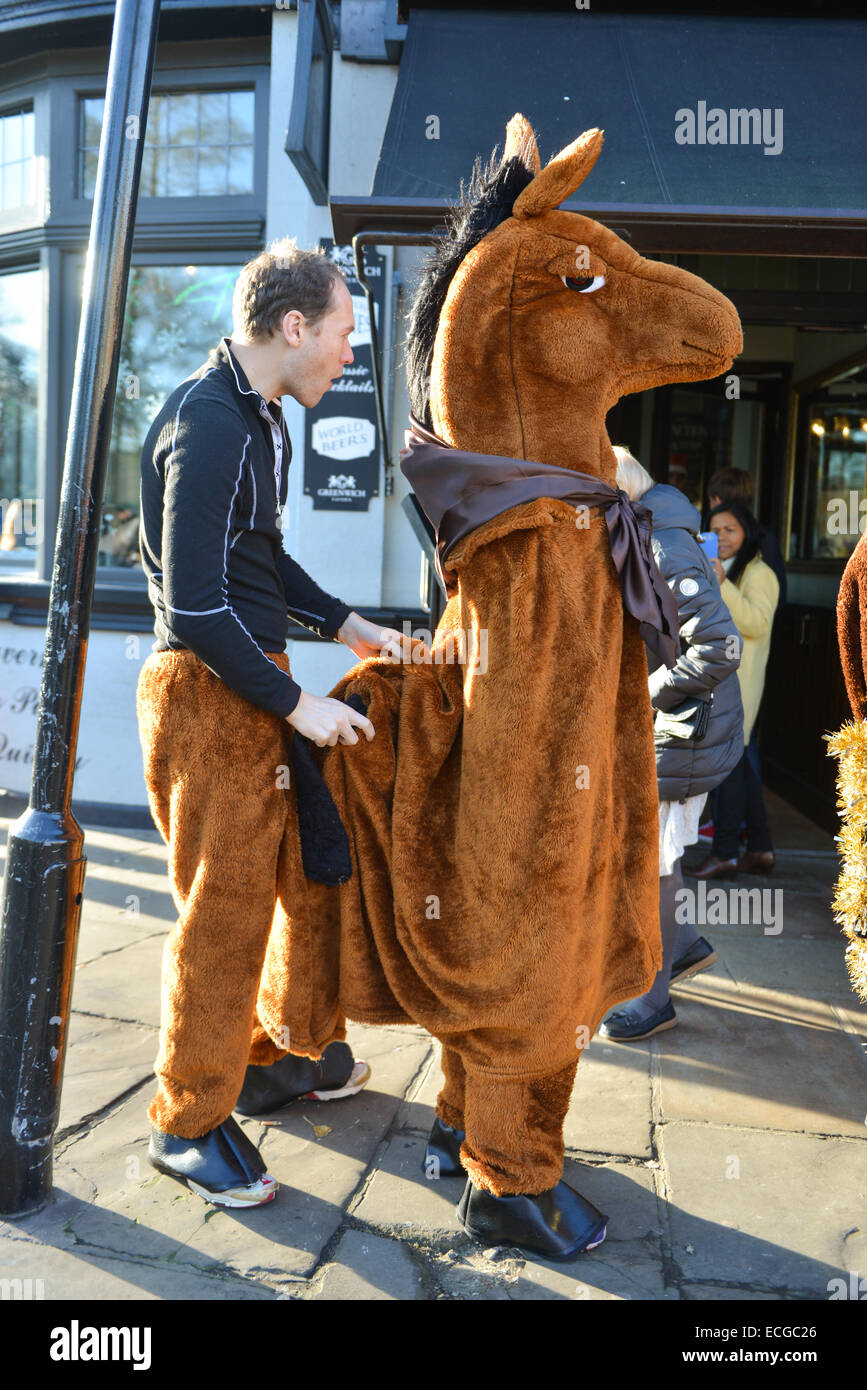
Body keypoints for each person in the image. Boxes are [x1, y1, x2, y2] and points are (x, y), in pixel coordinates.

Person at [136, 239, 412, 1208]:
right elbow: (201, 610)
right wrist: (300, 702)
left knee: (291, 883)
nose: (347, 353)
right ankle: (186, 1119)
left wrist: (357, 626)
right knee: (222, 914)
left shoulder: (258, 418)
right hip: (209, 698)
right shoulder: (210, 425)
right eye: (342, 333)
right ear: (294, 326)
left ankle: (258, 1059)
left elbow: (264, 562)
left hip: (254, 687)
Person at [599, 449, 744, 1041]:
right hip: (685, 727)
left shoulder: (662, 537)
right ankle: (683, 945)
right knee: (660, 852)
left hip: (684, 728)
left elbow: (717, 644)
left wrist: (643, 693)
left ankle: (653, 997)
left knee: (653, 858)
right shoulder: (658, 525)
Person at [693, 499, 779, 879]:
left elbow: (757, 623)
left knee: (727, 770)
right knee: (741, 768)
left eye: (731, 530)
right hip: (721, 681)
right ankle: (760, 849)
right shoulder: (716, 567)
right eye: (715, 531)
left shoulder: (759, 573)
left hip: (739, 686)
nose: (723, 538)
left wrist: (722, 585)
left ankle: (725, 852)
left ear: (747, 533)